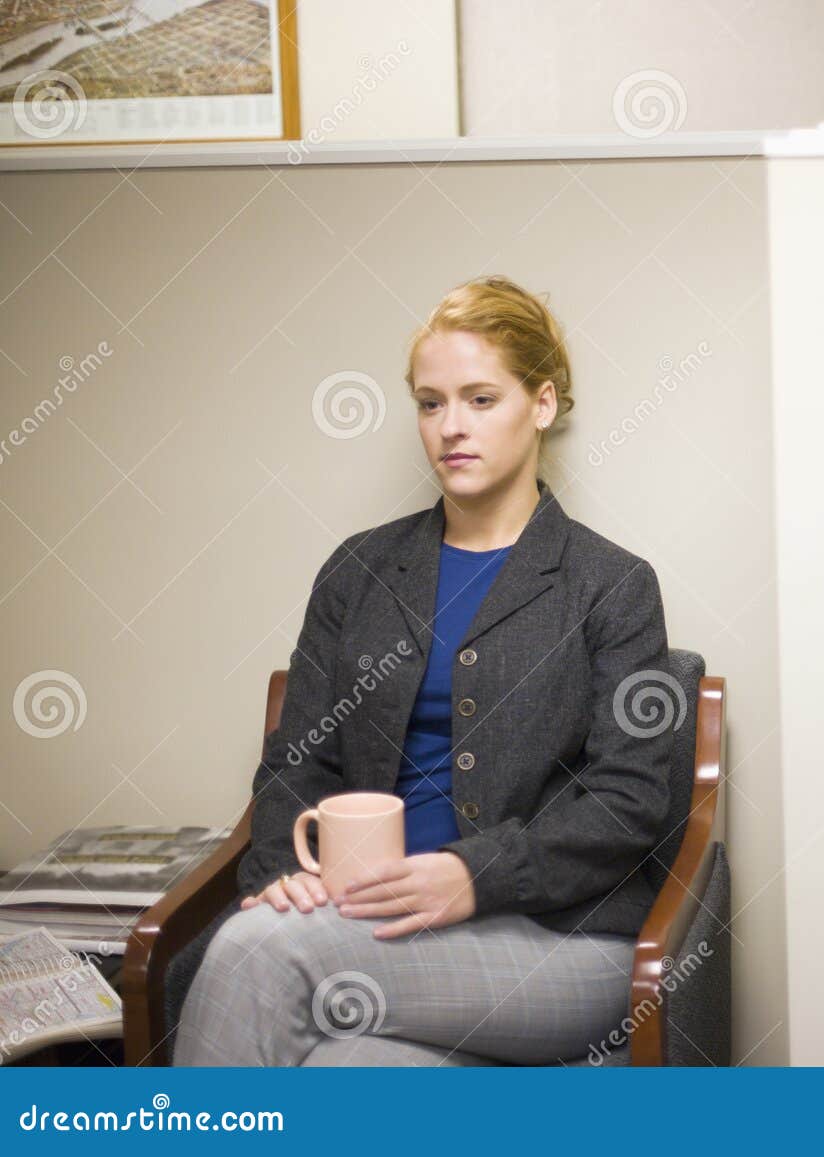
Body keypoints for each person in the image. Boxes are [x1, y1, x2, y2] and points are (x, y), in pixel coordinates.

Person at [174, 275, 677, 1066]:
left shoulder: (612, 584)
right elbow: (297, 762)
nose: (451, 427)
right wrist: (280, 871)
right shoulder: (359, 572)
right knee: (347, 1068)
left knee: (251, 952)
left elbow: (629, 802)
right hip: (372, 928)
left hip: (564, 945)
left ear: (542, 403)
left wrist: (474, 874)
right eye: (430, 402)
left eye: (481, 399)